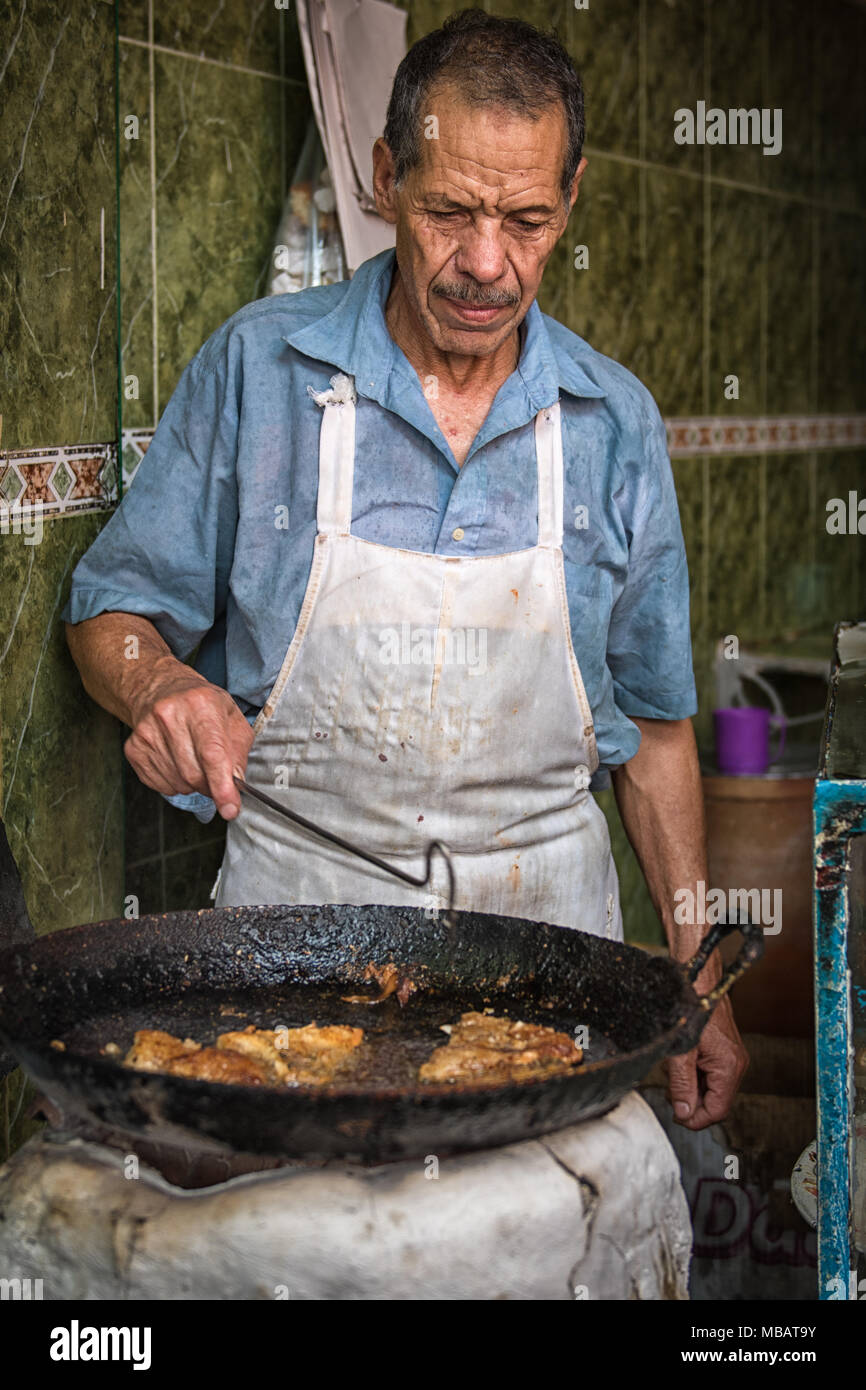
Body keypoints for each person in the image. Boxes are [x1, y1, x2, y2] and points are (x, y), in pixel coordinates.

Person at [64, 10, 747, 1130]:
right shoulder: (260, 367)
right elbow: (110, 613)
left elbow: (657, 731)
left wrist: (699, 975)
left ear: (569, 199)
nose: (486, 264)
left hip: (551, 964)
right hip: (289, 960)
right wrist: (158, 683)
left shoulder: (613, 423)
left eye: (526, 221)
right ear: (385, 179)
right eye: (449, 212)